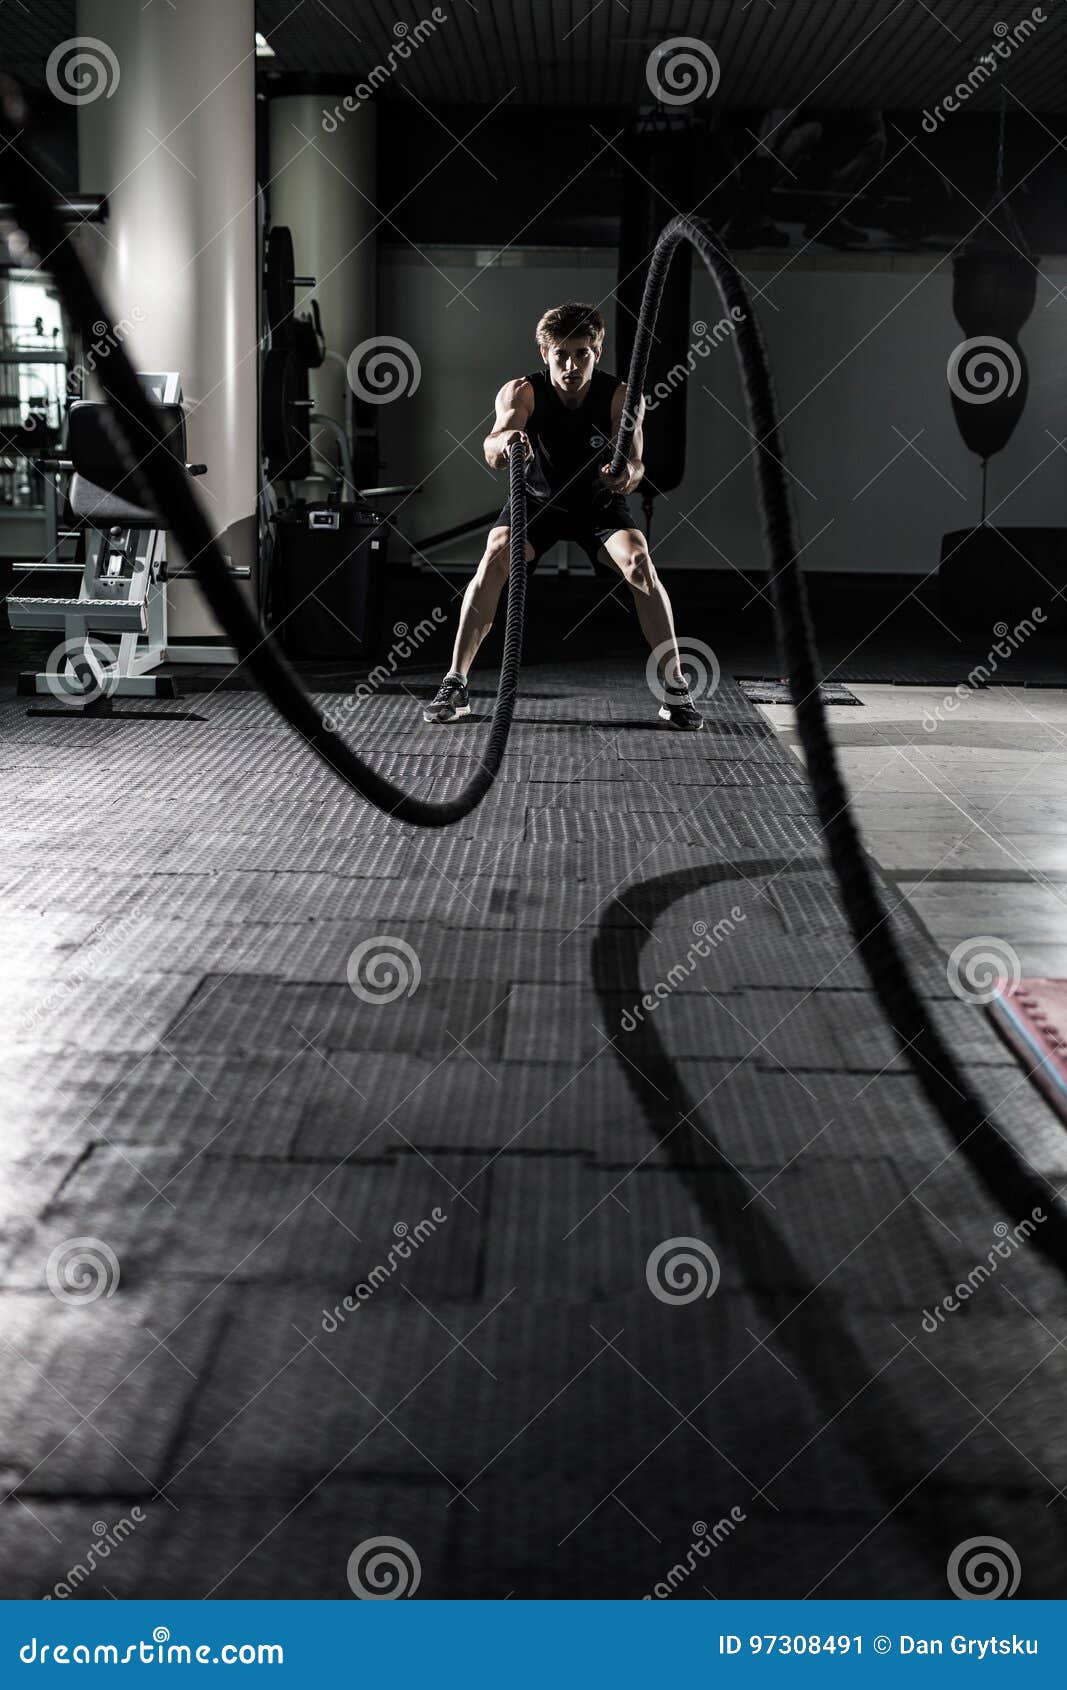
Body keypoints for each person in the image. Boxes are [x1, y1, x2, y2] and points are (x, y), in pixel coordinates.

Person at [422, 301, 703, 729]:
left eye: (582, 354)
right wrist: (508, 441)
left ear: (597, 350)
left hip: (597, 505)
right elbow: (491, 446)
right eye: (562, 355)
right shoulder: (522, 392)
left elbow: (636, 464)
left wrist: (625, 475)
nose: (572, 365)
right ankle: (455, 682)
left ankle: (676, 689)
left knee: (640, 563)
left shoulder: (621, 396)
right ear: (545, 354)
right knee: (496, 552)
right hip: (538, 502)